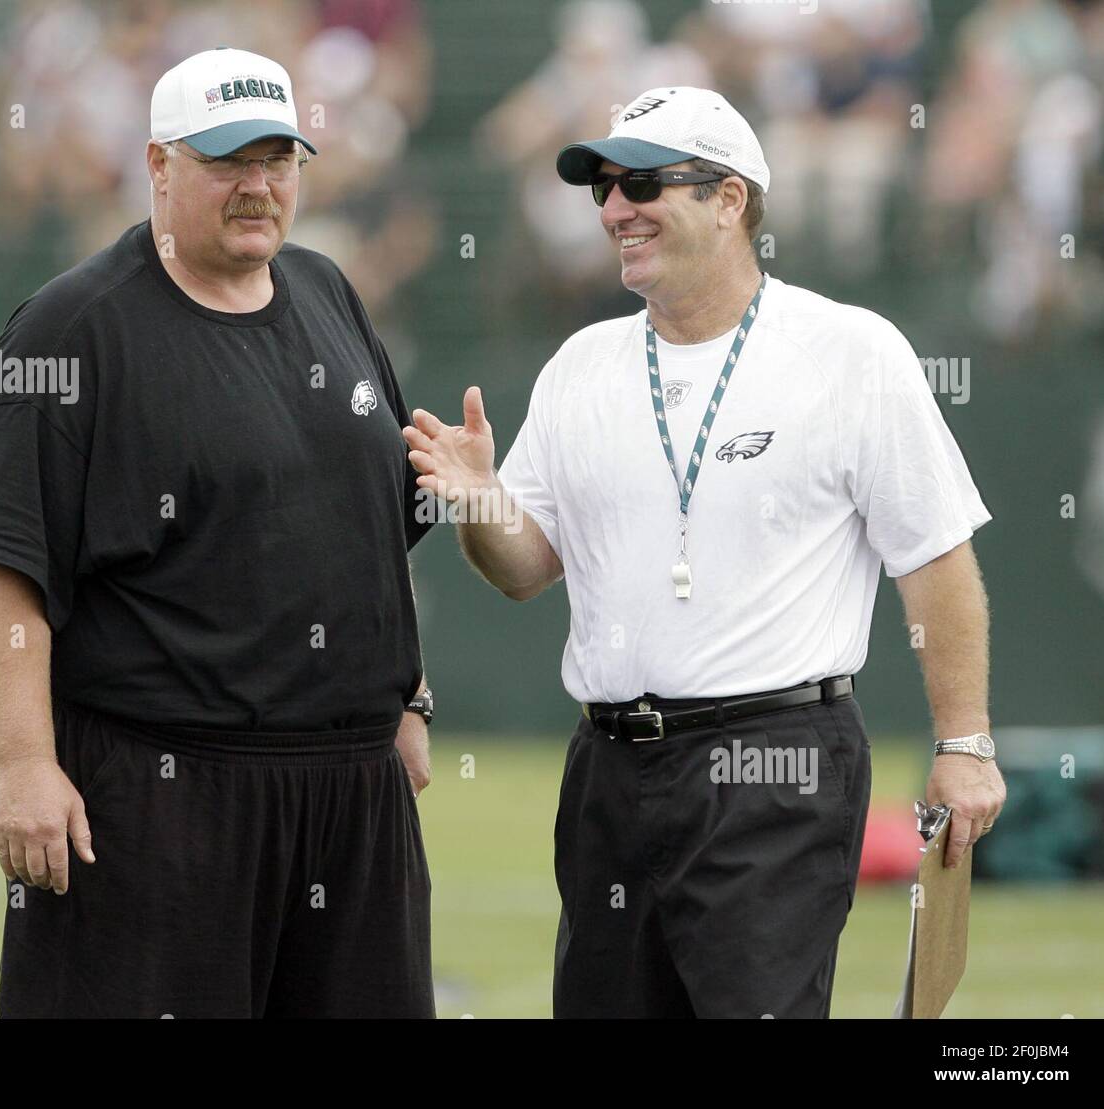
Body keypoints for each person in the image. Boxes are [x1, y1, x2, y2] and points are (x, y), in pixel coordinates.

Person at [403, 86, 1005, 1018]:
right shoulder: (580, 367)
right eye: (601, 187)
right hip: (608, 769)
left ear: (730, 199)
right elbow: (524, 569)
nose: (613, 208)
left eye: (642, 181)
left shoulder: (850, 352)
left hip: (774, 763)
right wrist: (481, 499)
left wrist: (964, 745)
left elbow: (935, 561)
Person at [0, 47, 437, 1019]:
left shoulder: (329, 293)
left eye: (278, 159)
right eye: (227, 160)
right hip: (165, 793)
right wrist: (24, 765)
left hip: (350, 800)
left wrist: (409, 695)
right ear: (159, 165)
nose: (258, 185)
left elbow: (366, 534)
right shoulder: (67, 328)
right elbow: (6, 566)